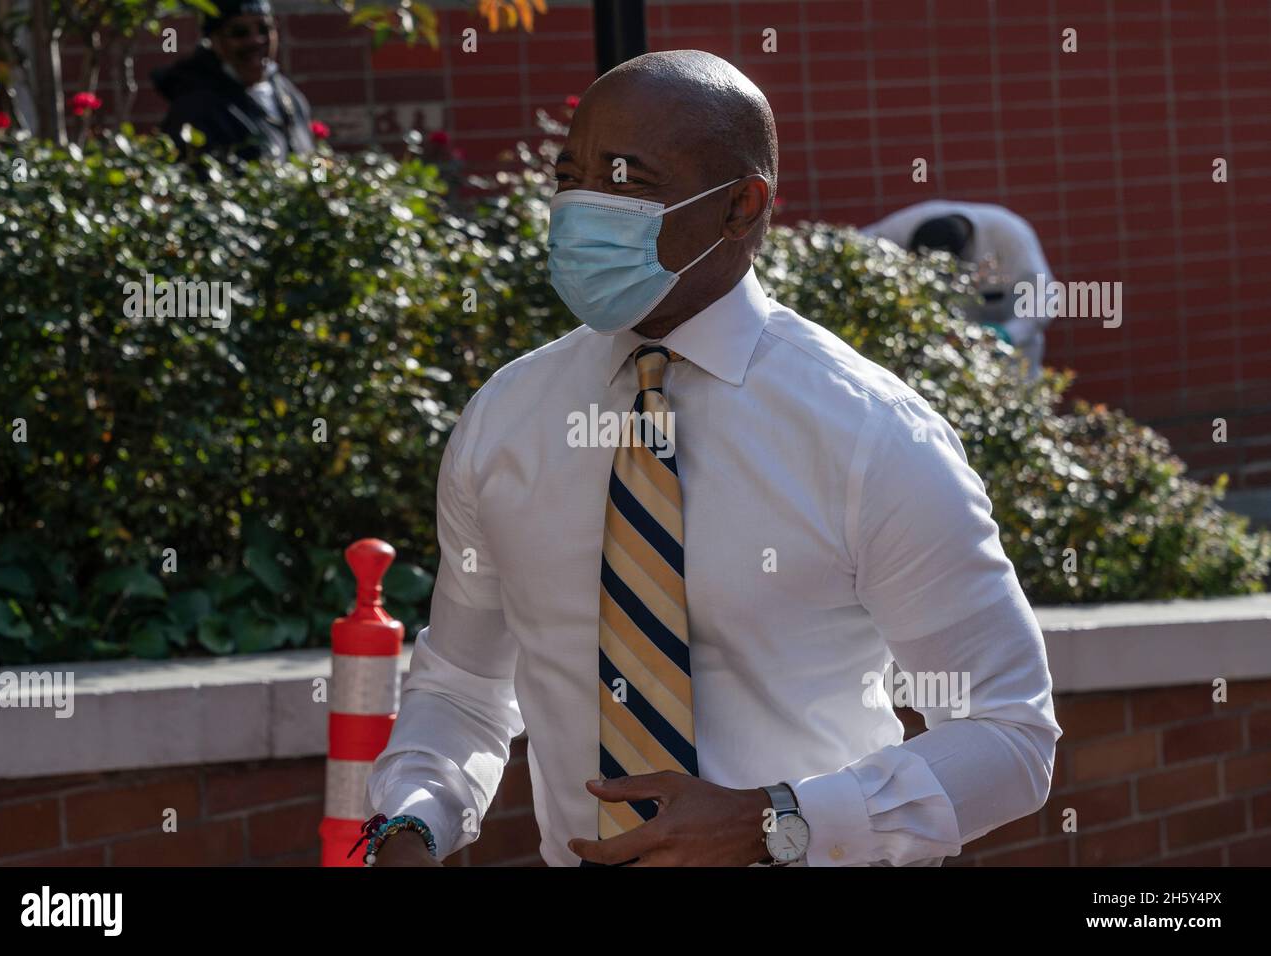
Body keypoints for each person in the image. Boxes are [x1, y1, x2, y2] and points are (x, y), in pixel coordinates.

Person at [364, 51, 1062, 868]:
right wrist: (409, 825)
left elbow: (1010, 736)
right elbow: (462, 690)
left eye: (626, 179)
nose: (582, 205)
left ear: (742, 206)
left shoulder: (873, 433)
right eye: (570, 173)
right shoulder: (505, 422)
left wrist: (776, 823)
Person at [863, 200, 1060, 379]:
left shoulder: (1009, 235)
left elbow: (1045, 297)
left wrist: (1008, 334)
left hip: (1013, 354)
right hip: (942, 356)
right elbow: (850, 247)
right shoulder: (900, 229)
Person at [150, 0, 313, 162]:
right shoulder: (196, 109)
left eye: (264, 29)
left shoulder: (287, 93)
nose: (256, 40)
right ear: (214, 40)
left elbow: (312, 159)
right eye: (240, 32)